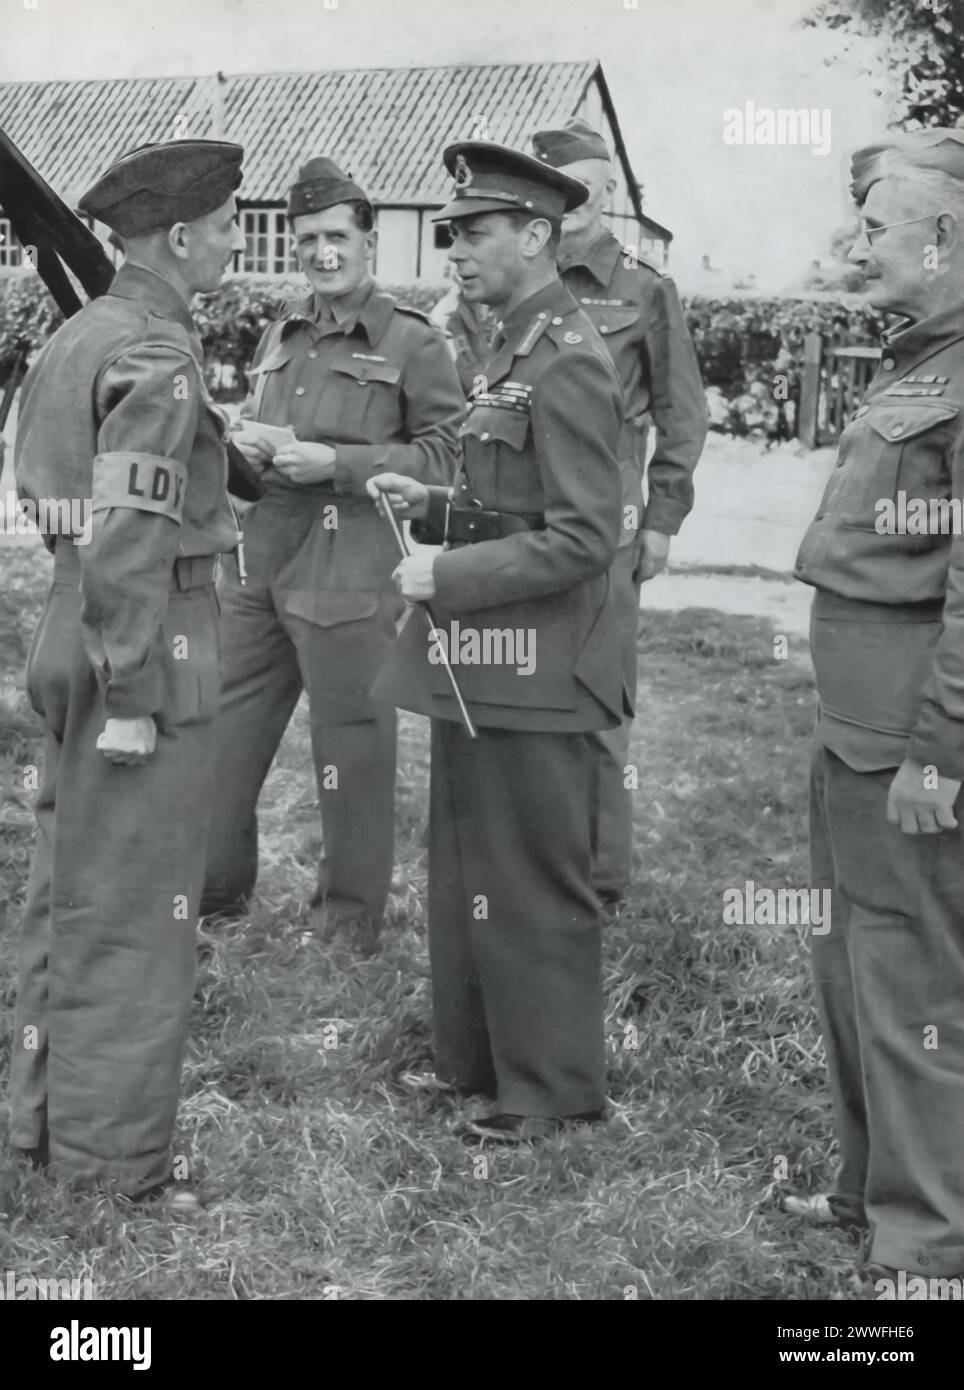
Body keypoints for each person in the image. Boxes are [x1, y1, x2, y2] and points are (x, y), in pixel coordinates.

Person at [368, 140, 628, 1142]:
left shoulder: (564, 355)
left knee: (527, 875)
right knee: (469, 868)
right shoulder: (508, 346)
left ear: (535, 234)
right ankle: (478, 1065)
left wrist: (450, 574)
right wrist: (431, 499)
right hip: (482, 662)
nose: (454, 253)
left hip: (540, 664)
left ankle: (554, 1089)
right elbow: (506, 501)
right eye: (448, 235)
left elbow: (583, 535)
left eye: (473, 234)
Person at [11, 139, 246, 1204]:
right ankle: (112, 1172)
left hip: (77, 624)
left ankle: (39, 1128)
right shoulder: (156, 353)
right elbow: (132, 536)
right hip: (143, 636)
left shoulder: (80, 334)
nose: (238, 239)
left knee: (66, 893)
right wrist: (137, 697)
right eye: (232, 222)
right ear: (184, 236)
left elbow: (59, 504)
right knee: (138, 917)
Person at [200, 158, 463, 944]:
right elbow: (260, 431)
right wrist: (244, 440)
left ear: (368, 241)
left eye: (336, 237)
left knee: (350, 749)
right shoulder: (281, 332)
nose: (321, 252)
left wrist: (342, 464)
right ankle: (214, 895)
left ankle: (347, 929)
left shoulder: (415, 342)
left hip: (350, 567)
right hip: (262, 560)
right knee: (222, 731)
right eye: (307, 238)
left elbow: (447, 458)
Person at [788, 128, 964, 1287]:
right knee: (852, 968)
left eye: (876, 228)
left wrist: (934, 756)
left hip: (906, 741)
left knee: (915, 992)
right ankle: (868, 1190)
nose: (857, 246)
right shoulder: (916, 363)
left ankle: (926, 1243)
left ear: (945, 236)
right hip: (853, 726)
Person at [530, 117, 708, 903]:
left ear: (605, 196)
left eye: (582, 192)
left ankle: (600, 880)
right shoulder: (515, 282)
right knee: (522, 693)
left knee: (600, 703)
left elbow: (684, 413)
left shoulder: (645, 290)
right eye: (554, 190)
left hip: (608, 531)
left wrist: (664, 518)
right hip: (519, 525)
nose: (569, 205)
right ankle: (531, 861)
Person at [428, 274, 497, 397]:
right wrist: (487, 395)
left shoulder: (470, 305)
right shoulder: (450, 315)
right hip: (456, 397)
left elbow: (482, 353)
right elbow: (465, 367)